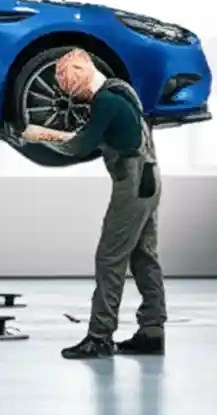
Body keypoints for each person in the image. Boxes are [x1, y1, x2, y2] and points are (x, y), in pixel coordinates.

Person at [15, 48, 166, 359]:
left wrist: (39, 134)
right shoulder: (122, 94)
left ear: (78, 80)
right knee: (143, 257)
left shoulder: (106, 102)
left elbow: (78, 147)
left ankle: (99, 337)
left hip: (133, 183)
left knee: (110, 258)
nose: (70, 97)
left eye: (69, 88)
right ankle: (152, 331)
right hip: (150, 180)